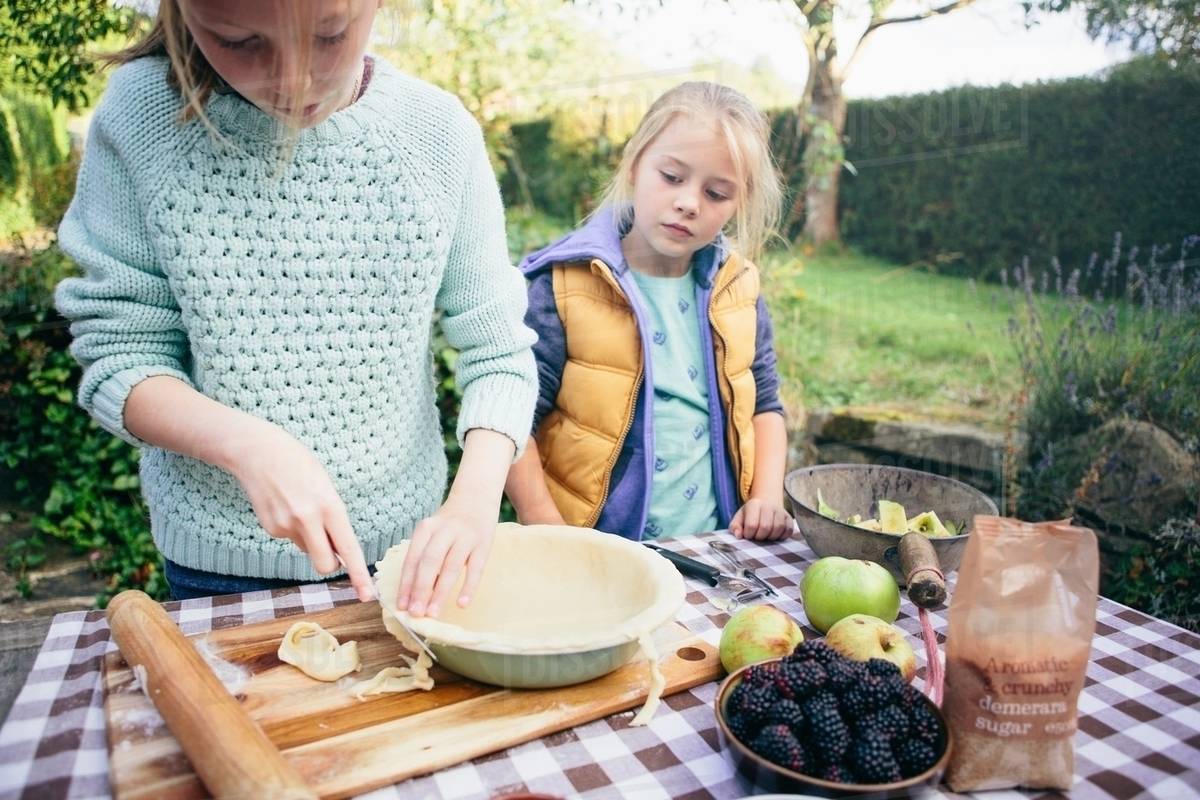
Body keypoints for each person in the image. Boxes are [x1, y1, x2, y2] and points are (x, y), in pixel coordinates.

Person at [54, 0, 536, 618]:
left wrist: (473, 502)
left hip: (407, 562)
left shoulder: (439, 133)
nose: (293, 80)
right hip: (217, 570)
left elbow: (498, 352)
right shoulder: (142, 116)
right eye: (240, 41)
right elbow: (121, 357)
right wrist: (246, 445)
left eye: (329, 35)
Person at [505, 81, 792, 542]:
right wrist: (550, 534)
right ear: (636, 163)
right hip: (591, 550)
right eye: (672, 177)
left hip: (712, 547)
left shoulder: (738, 288)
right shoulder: (562, 285)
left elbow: (766, 404)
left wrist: (766, 496)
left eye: (717, 193)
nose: (688, 202)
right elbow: (511, 420)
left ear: (740, 202)